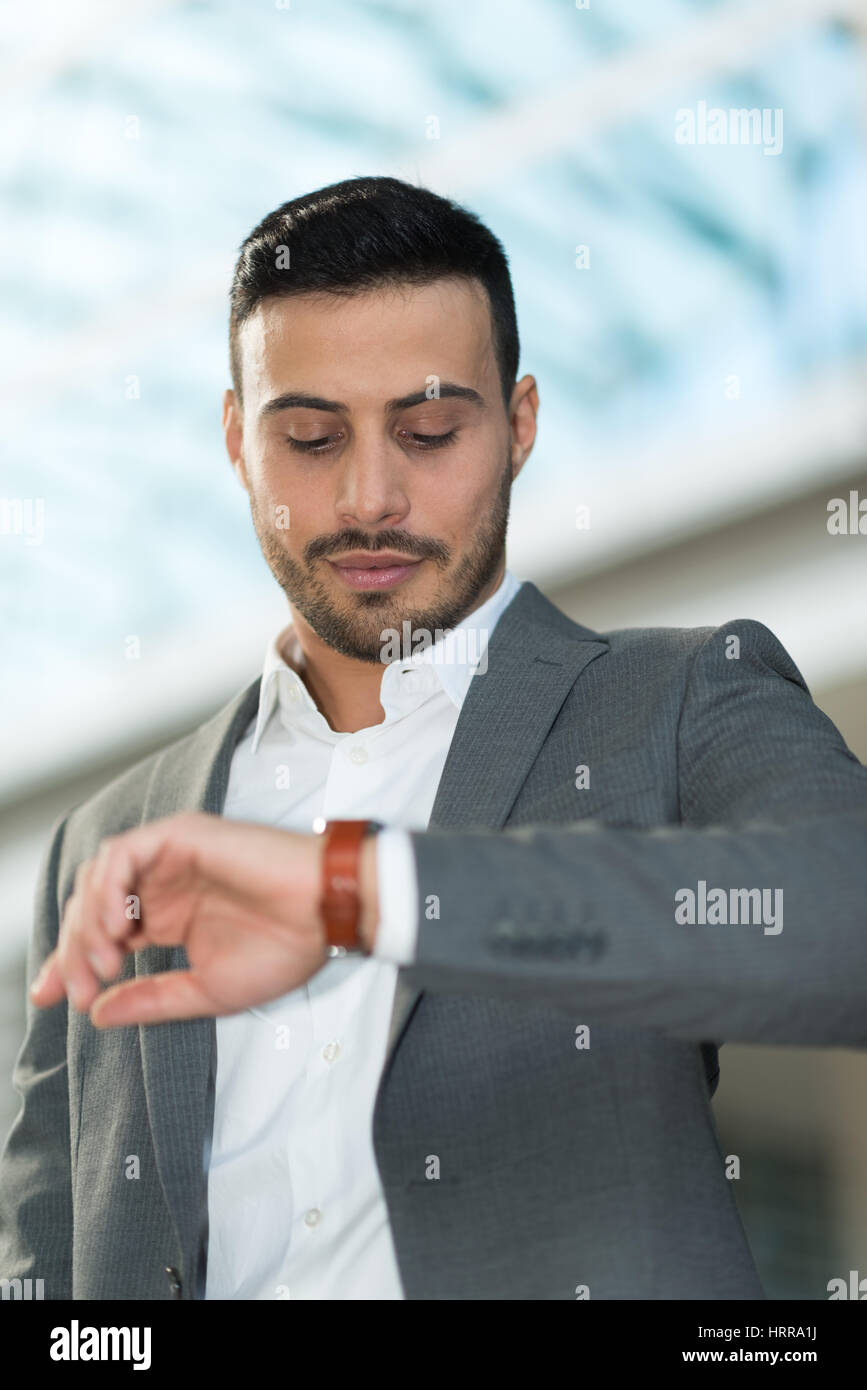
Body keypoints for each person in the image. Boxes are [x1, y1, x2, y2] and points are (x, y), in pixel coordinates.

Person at [2, 176, 866, 1302]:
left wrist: (356, 889)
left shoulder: (679, 699)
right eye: (310, 437)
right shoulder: (104, 841)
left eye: (428, 429)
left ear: (521, 424)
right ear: (234, 441)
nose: (370, 495)